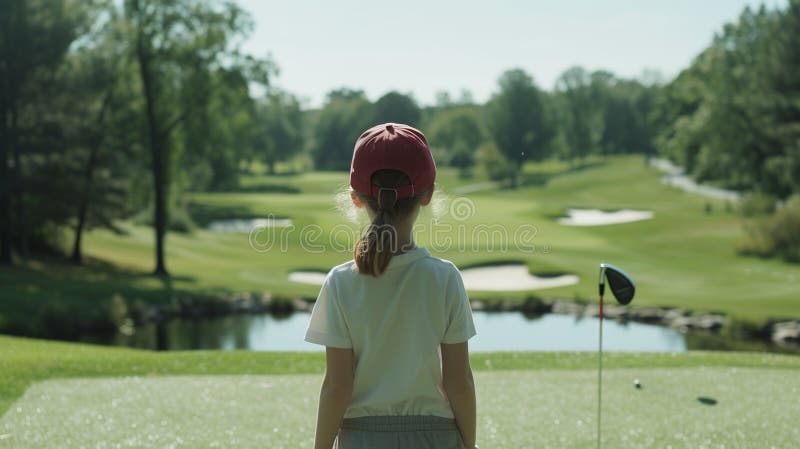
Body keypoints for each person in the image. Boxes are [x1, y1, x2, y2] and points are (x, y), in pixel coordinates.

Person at [305, 123, 478, 449]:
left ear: (356, 198)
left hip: (362, 439)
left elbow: (337, 387)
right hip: (436, 438)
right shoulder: (445, 278)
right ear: (427, 195)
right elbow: (459, 382)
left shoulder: (340, 282)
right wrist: (469, 445)